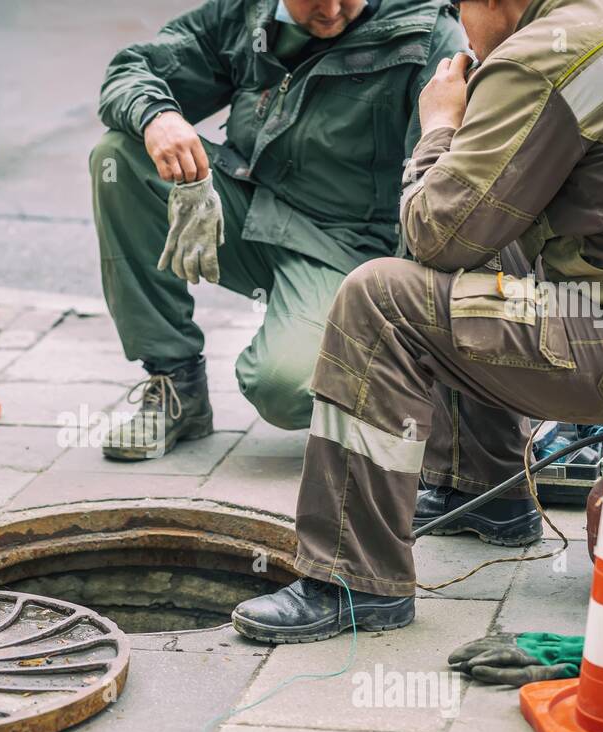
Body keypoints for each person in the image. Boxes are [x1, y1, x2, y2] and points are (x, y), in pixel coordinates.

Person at [232, 0, 603, 642]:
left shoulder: (540, 56)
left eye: (460, 6)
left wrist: (439, 127)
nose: (459, 25)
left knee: (380, 297)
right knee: (482, 233)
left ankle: (351, 579)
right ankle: (480, 491)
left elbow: (433, 233)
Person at [91, 0, 466, 459]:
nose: (331, 11)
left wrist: (413, 330)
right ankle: (177, 387)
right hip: (254, 211)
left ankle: (411, 397)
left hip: (346, 252)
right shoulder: (247, 15)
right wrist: (157, 117)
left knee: (283, 388)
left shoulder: (425, 36)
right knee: (118, 155)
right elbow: (133, 67)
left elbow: (437, 192)